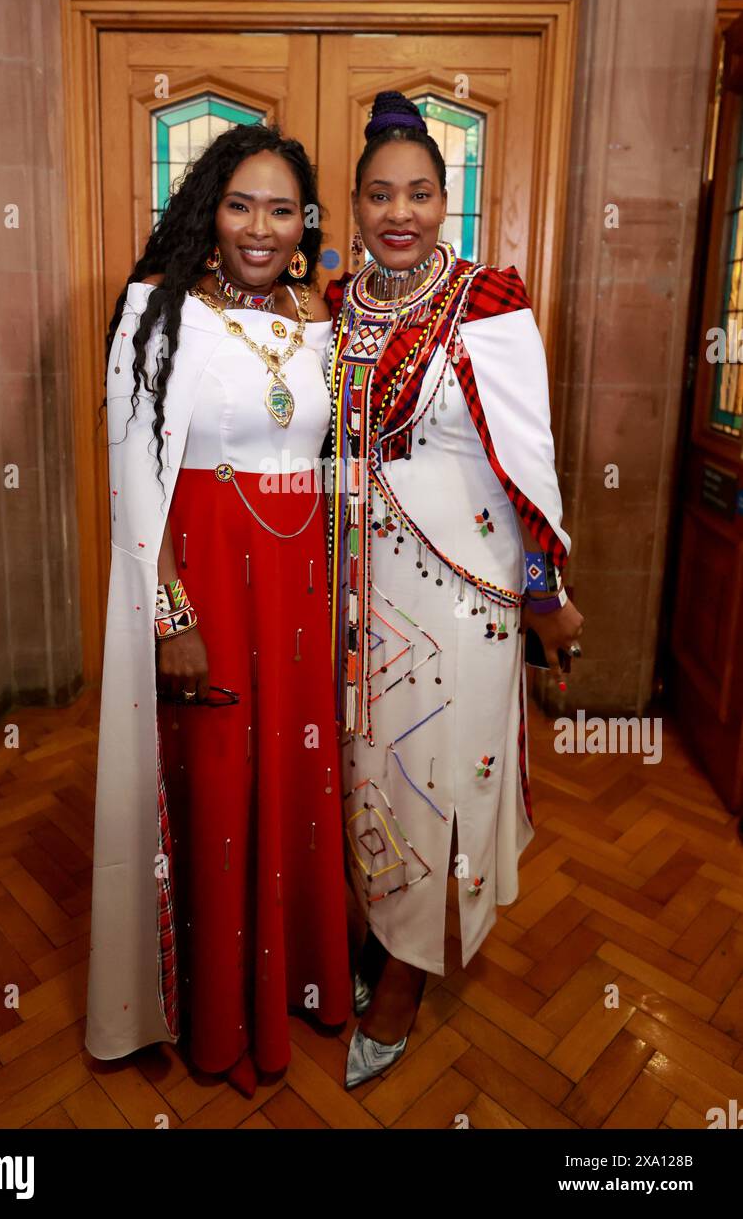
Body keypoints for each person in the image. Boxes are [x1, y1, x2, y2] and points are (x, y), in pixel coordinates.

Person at [86, 123, 350, 1097]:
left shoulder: (314, 315)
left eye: (280, 209)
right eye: (240, 203)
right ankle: (212, 1011)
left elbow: (330, 463)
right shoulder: (159, 313)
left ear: (301, 225)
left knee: (291, 776)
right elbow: (133, 484)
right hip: (206, 583)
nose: (260, 226)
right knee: (216, 785)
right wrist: (170, 616)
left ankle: (294, 982)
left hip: (297, 586)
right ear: (208, 212)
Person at [327, 91, 583, 1088]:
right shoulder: (337, 304)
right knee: (368, 777)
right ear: (350, 204)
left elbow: (527, 469)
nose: (400, 212)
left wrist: (542, 592)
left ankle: (405, 975)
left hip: (465, 598)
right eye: (380, 194)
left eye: (420, 193)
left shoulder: (488, 304)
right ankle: (381, 928)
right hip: (361, 596)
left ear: (447, 201)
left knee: (435, 786)